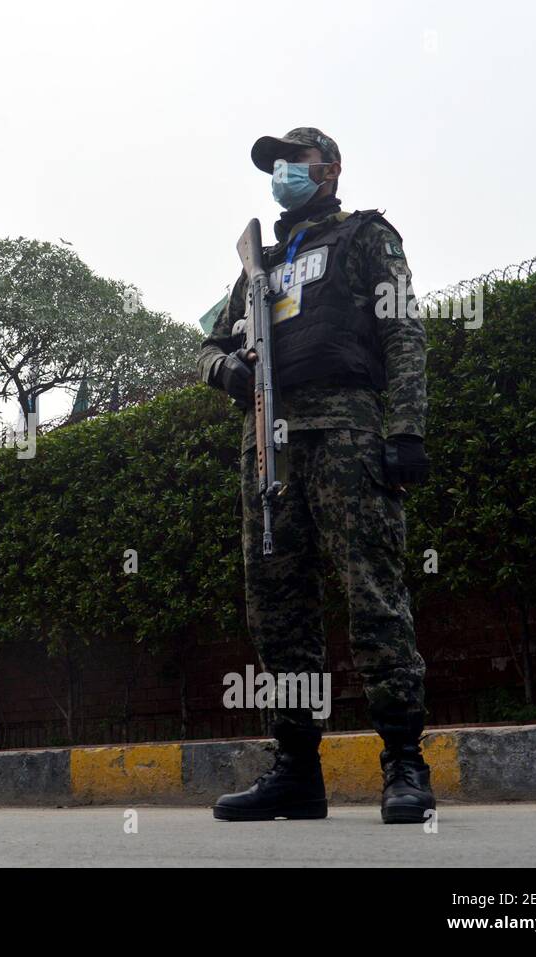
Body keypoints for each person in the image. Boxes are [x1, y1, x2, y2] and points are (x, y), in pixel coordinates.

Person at [196, 128, 435, 824]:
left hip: (346, 435)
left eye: (294, 163)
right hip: (267, 448)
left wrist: (407, 428)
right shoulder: (259, 263)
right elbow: (208, 345)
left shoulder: (364, 237)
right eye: (274, 166)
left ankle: (404, 761)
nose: (281, 175)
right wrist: (226, 369)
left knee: (373, 597)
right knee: (279, 612)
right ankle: (297, 769)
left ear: (329, 170)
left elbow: (403, 331)